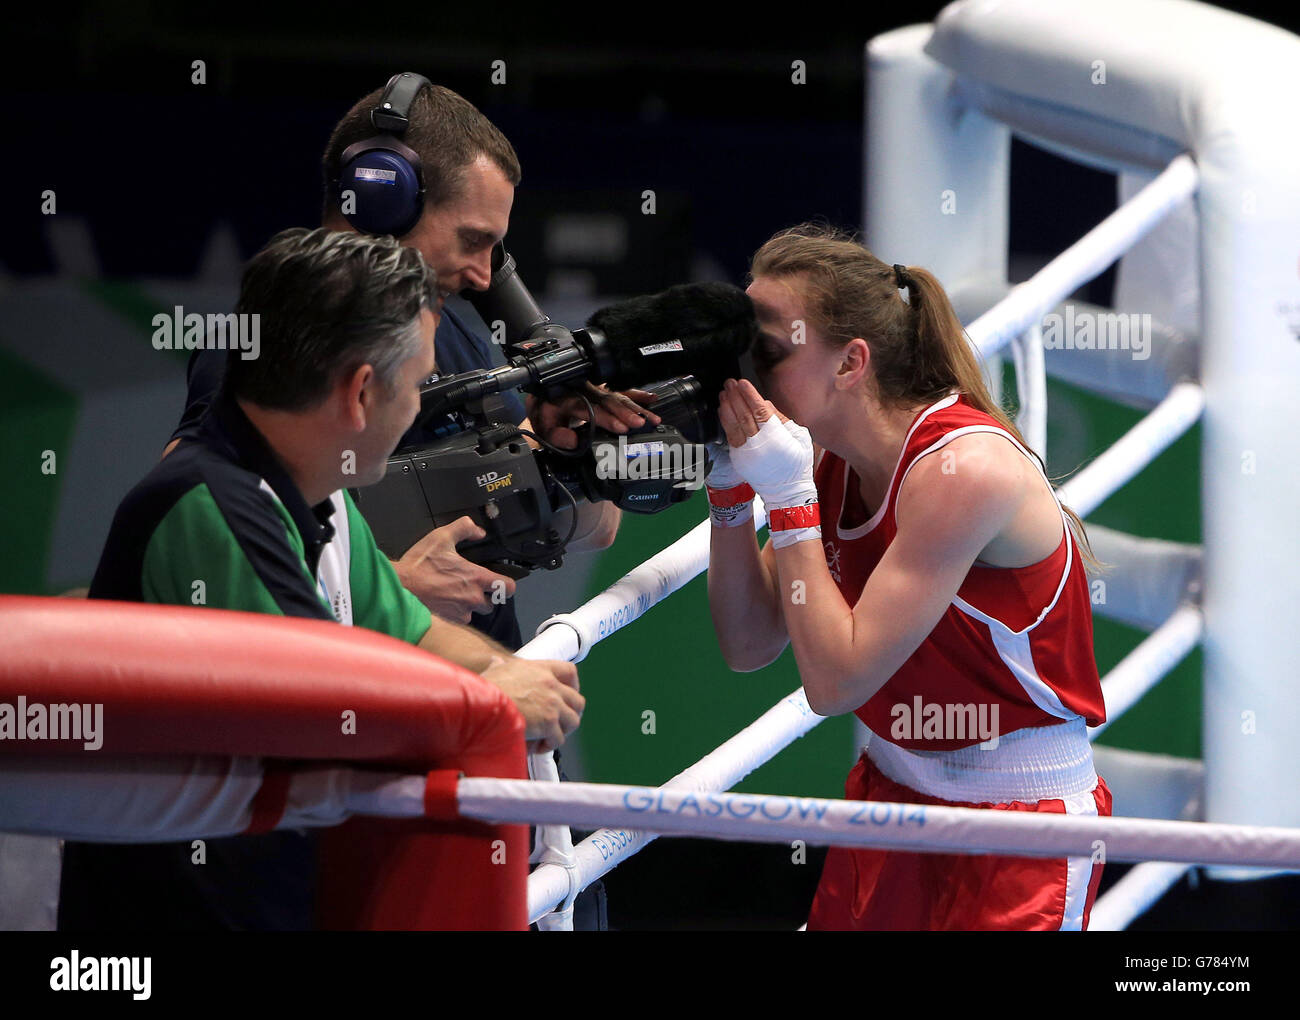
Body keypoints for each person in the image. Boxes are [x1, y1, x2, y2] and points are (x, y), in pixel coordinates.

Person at [59, 228, 583, 930]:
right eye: (418, 385)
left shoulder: (320, 490)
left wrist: (505, 673)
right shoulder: (210, 507)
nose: (418, 406)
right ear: (361, 393)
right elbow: (327, 717)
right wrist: (489, 704)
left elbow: (414, 633)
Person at [705, 223, 1111, 931]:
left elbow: (836, 686)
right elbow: (748, 645)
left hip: (1021, 823)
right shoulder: (829, 458)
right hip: (893, 794)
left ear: (850, 363)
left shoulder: (964, 471)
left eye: (768, 349)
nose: (747, 371)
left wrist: (791, 501)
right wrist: (731, 492)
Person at [166, 73, 659, 649]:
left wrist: (572, 448)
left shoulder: (453, 330)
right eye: (472, 240)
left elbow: (594, 530)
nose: (484, 276)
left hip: (468, 685)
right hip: (357, 691)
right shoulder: (274, 331)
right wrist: (395, 593)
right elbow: (202, 535)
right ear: (383, 201)